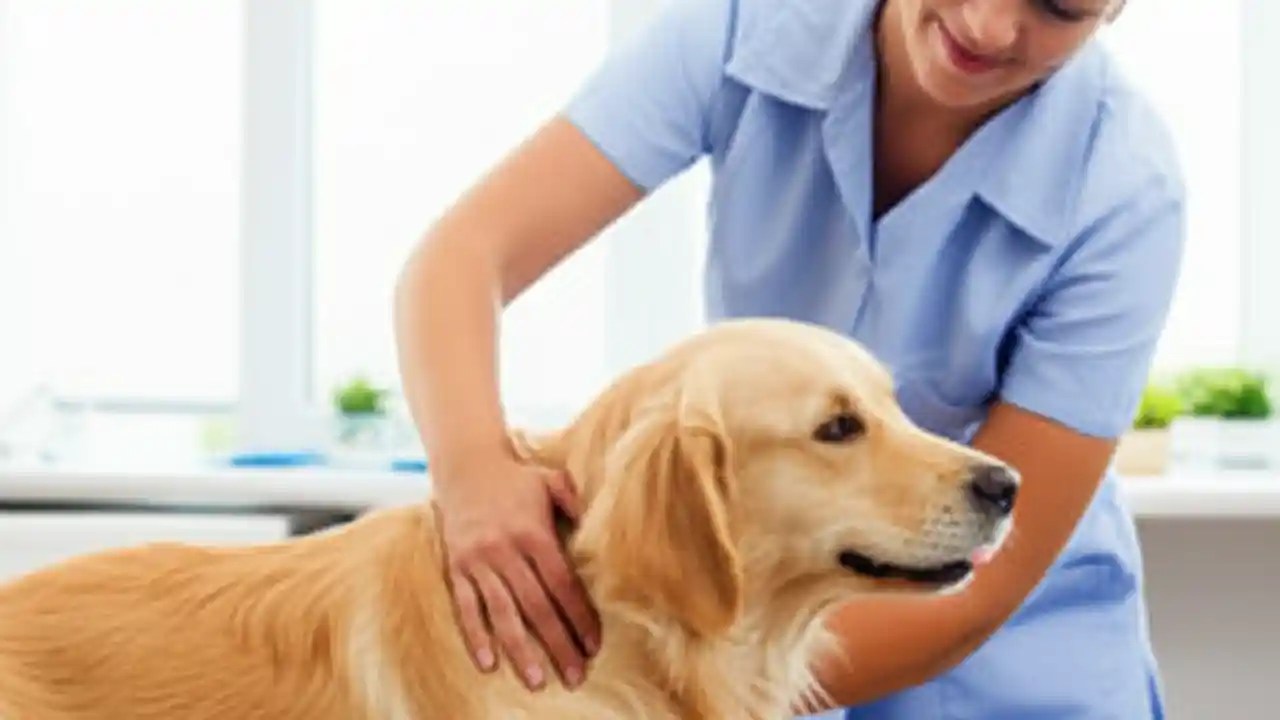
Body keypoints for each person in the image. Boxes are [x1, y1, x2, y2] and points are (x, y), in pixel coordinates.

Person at [393, 0, 1183, 716]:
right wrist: (472, 474)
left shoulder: (1123, 188)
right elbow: (466, 256)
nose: (986, 26)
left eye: (1059, 8)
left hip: (1014, 663)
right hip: (749, 616)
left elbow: (980, 594)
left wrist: (656, 692)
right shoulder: (748, 28)